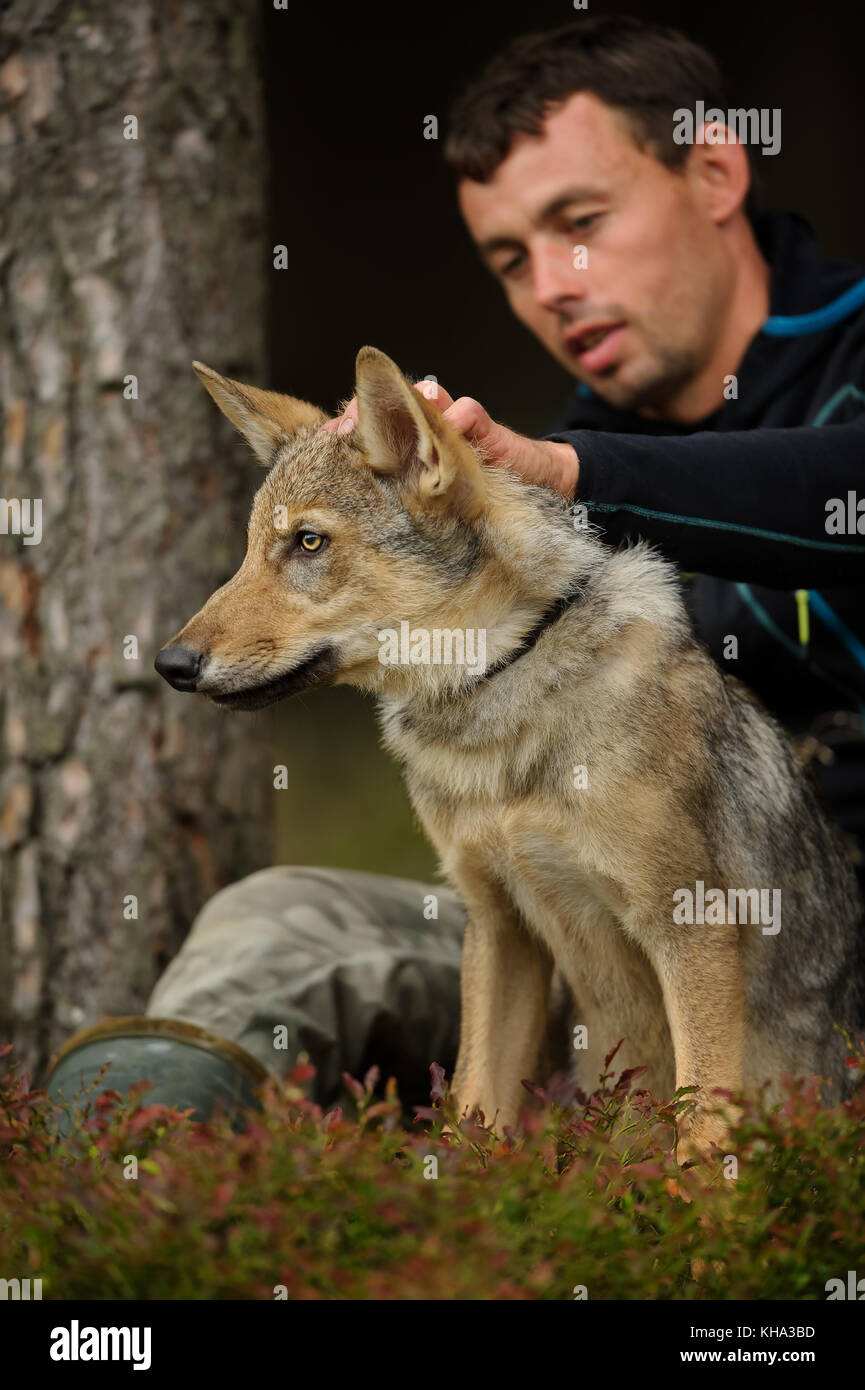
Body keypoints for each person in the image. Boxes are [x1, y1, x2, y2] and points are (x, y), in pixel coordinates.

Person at [85, 15, 865, 1115]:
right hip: (606, 943)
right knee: (283, 925)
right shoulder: (532, 481)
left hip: (819, 954)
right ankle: (128, 1190)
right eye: (510, 257)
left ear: (715, 170)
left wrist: (571, 471)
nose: (550, 283)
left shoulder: (826, 373)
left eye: (578, 223)